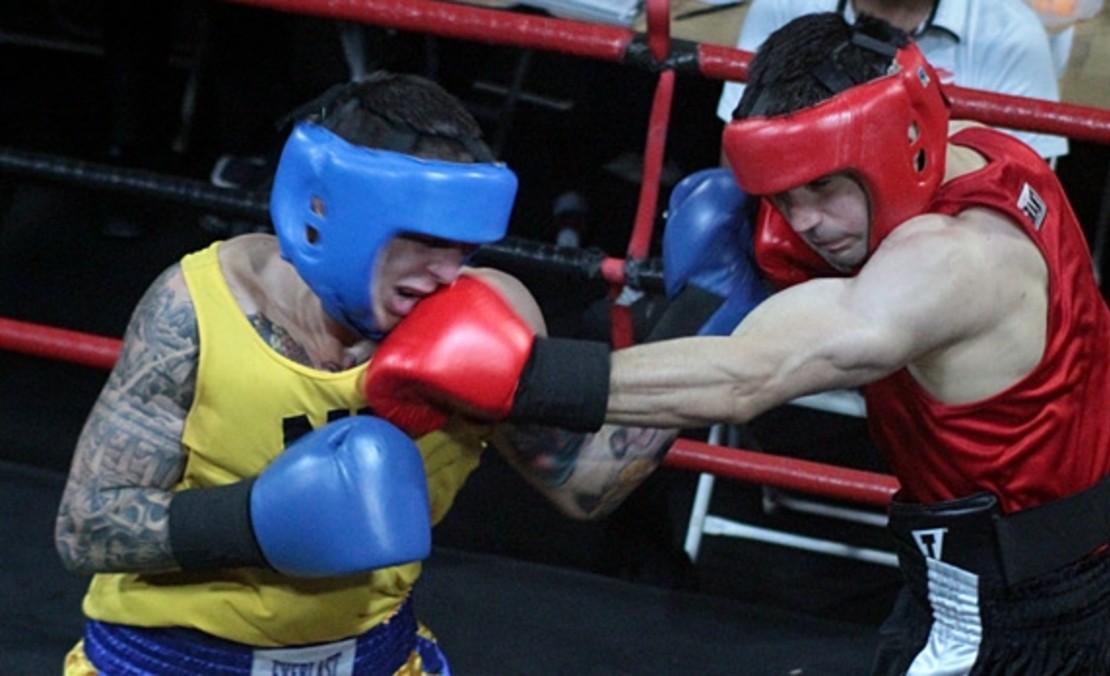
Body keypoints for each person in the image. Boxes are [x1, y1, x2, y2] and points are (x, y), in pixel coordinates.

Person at [365, 14, 1110, 674]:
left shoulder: (953, 261)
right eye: (783, 193)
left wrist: (518, 373)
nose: (801, 222)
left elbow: (751, 376)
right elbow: (591, 481)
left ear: (900, 147)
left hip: (1034, 605)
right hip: (1021, 566)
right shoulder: (974, 149)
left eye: (823, 187)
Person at [53, 71, 673, 675]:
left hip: (373, 659)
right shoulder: (197, 308)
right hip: (167, 662)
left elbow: (583, 480)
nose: (444, 273)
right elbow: (88, 525)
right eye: (424, 240)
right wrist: (255, 521)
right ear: (330, 210)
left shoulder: (474, 324)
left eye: (462, 248)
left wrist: (712, 307)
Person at [716, 0, 1069, 162]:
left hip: (942, 244)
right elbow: (740, 157)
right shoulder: (785, 5)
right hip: (804, 233)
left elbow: (1027, 191)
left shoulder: (1011, 35)